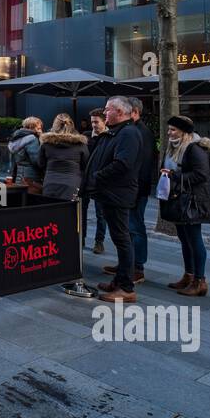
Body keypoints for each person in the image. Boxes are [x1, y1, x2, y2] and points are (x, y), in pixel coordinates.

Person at [81, 96, 142, 301]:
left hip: (117, 194)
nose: (104, 112)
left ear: (120, 112)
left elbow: (122, 164)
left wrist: (97, 176)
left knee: (122, 239)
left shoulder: (128, 133)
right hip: (109, 193)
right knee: (119, 239)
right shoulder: (117, 132)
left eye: (108, 109)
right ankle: (119, 280)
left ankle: (126, 288)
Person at [159, 115, 210, 297]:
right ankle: (189, 275)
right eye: (169, 129)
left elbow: (202, 175)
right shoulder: (174, 146)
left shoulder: (194, 148)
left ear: (184, 132)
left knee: (194, 239)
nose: (169, 133)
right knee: (184, 239)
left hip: (192, 200)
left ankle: (200, 281)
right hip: (177, 198)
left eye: (173, 130)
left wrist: (174, 175)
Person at [107, 96, 156, 282]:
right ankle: (126, 264)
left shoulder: (140, 132)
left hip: (136, 190)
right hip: (131, 189)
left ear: (134, 112)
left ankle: (137, 267)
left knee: (135, 227)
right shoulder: (132, 130)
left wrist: (134, 190)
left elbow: (141, 165)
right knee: (127, 228)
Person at [37, 113, 89, 201]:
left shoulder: (46, 144)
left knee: (49, 208)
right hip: (72, 183)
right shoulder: (80, 144)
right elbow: (86, 165)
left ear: (54, 125)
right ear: (71, 125)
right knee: (70, 209)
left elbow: (41, 163)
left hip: (50, 182)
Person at [85, 108, 108, 254]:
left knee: (101, 214)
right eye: (92, 122)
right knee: (82, 210)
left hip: (101, 181)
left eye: (96, 122)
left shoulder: (110, 137)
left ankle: (99, 241)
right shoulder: (86, 136)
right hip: (86, 179)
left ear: (104, 121)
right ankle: (81, 238)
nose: (93, 125)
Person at [8, 116, 44, 186]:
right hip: (31, 177)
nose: (41, 131)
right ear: (31, 127)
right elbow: (36, 161)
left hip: (19, 175)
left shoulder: (17, 137)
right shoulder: (32, 139)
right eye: (39, 128)